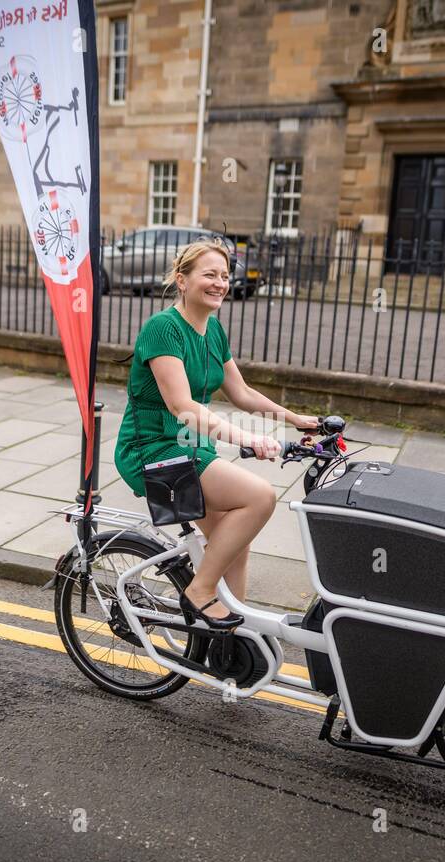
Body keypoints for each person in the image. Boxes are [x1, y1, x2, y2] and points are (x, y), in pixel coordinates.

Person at [114, 239, 319, 629]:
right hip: (153, 449)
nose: (220, 283)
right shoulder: (163, 329)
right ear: (182, 280)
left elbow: (241, 393)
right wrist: (248, 439)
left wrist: (294, 418)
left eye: (225, 276)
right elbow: (181, 406)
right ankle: (200, 591)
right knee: (259, 497)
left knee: (233, 540)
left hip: (192, 448)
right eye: (209, 274)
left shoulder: (214, 331)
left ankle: (231, 636)